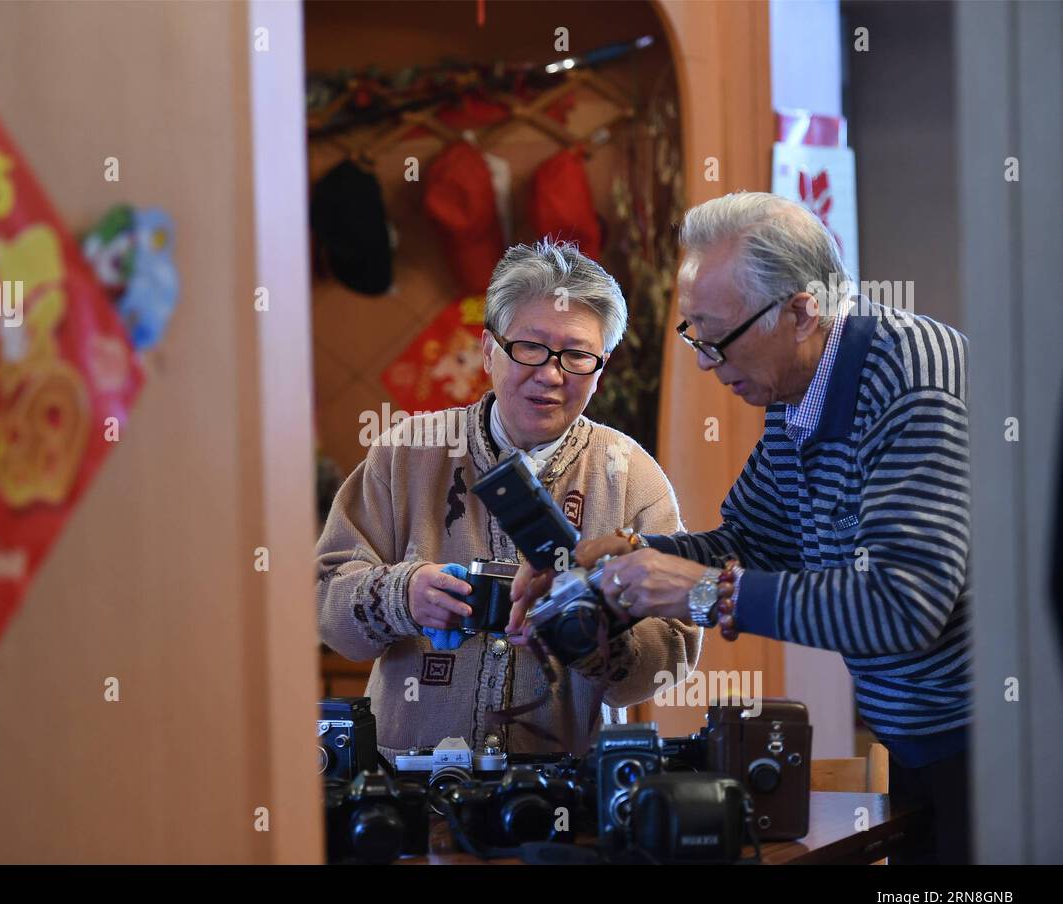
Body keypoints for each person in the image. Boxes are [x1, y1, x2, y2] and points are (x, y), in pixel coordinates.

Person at [509, 193, 971, 863]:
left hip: (1003, 746)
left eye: (717, 337)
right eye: (692, 334)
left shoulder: (911, 382)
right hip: (918, 739)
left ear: (802, 310)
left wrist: (702, 591)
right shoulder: (798, 395)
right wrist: (617, 558)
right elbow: (748, 540)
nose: (704, 360)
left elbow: (901, 607)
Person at [316, 239, 701, 762]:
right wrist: (403, 596)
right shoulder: (407, 453)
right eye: (530, 347)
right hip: (408, 773)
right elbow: (323, 596)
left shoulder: (631, 473)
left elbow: (675, 647)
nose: (549, 373)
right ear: (489, 349)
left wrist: (590, 632)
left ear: (601, 367)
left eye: (577, 355)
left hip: (568, 786)